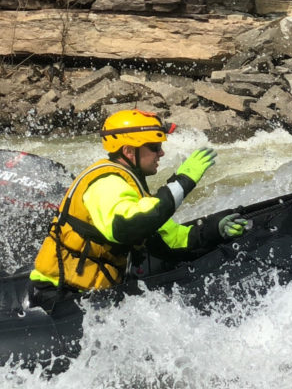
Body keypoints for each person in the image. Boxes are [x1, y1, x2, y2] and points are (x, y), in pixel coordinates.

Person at [27, 109, 249, 311]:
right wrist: (183, 182)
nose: (161, 153)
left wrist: (215, 230)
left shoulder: (131, 185)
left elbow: (168, 238)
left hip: (88, 294)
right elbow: (127, 227)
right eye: (154, 147)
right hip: (59, 296)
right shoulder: (107, 183)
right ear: (128, 151)